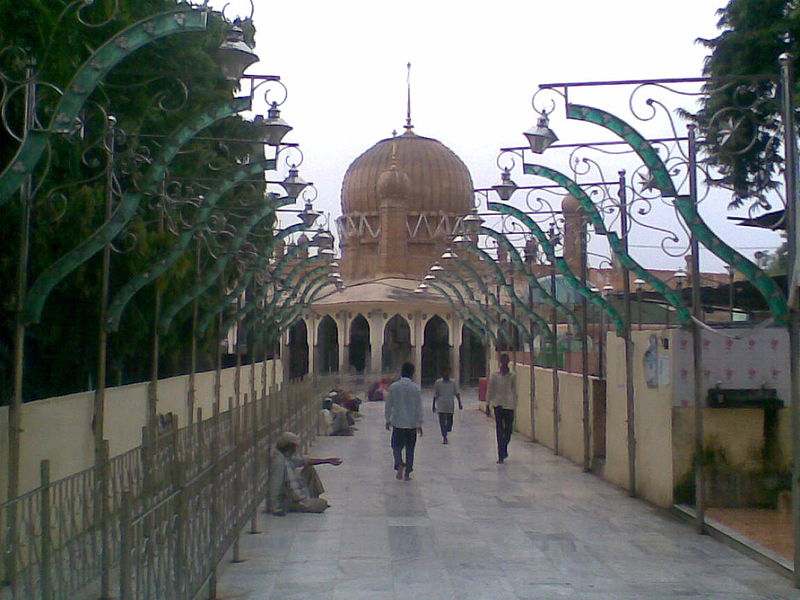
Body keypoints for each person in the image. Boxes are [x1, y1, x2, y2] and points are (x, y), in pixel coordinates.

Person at [269, 431, 342, 515]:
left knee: (309, 468)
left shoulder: (285, 457)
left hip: (294, 495)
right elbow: (275, 486)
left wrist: (326, 461)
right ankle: (312, 502)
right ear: (289, 446)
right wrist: (276, 508)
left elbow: (304, 461)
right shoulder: (279, 463)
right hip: (288, 501)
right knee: (323, 503)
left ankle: (312, 500)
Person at [385, 362, 423, 480]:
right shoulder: (416, 388)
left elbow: (388, 405)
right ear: (412, 374)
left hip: (398, 423)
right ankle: (407, 473)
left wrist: (387, 419)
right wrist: (419, 423)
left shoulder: (394, 387)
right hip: (411, 424)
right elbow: (419, 407)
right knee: (410, 449)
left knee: (396, 447)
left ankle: (399, 464)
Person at [488, 353, 517, 464]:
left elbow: (515, 391)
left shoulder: (512, 376)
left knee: (508, 430)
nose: (505, 362)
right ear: (500, 361)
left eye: (506, 360)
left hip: (509, 405)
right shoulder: (494, 375)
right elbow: (490, 389)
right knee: (499, 430)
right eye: (503, 360)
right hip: (498, 404)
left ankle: (504, 447)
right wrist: (488, 403)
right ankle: (500, 454)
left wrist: (515, 404)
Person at [432, 367, 462, 444]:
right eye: (445, 372)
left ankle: (447, 430)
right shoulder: (438, 383)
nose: (446, 374)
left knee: (449, 423)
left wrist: (459, 403)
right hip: (441, 404)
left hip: (450, 405)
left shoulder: (453, 382)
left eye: (448, 372)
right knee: (442, 422)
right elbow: (435, 394)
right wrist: (433, 405)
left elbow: (457, 393)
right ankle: (444, 436)